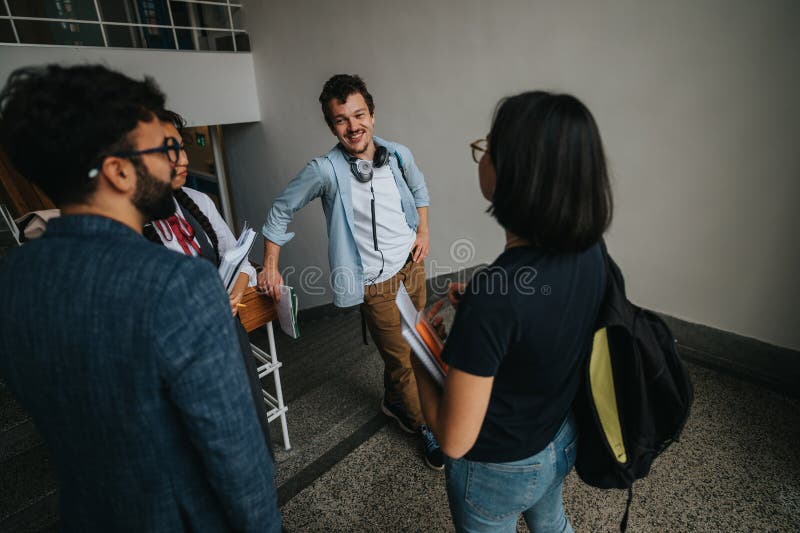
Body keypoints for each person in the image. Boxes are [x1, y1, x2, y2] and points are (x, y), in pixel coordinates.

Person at [0, 64, 281, 532]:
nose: (174, 161)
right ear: (118, 172)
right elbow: (234, 453)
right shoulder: (177, 286)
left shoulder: (13, 278)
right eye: (162, 149)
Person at [413, 91, 613, 532]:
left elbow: (453, 439)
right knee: (554, 524)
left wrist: (420, 358)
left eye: (486, 148)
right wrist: (486, 317)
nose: (480, 158)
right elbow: (546, 325)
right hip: (561, 437)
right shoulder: (592, 251)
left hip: (498, 468)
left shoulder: (496, 296)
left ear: (515, 174)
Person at [258, 74, 443, 469]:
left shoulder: (397, 155)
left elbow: (421, 189)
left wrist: (423, 231)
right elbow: (280, 209)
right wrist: (270, 265)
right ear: (332, 126)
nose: (352, 125)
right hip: (375, 285)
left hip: (412, 266)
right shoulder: (324, 170)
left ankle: (395, 401)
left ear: (372, 116)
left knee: (422, 342)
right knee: (402, 359)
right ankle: (423, 424)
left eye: (359, 115)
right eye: (341, 119)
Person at [143, 110, 273, 454]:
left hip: (229, 335)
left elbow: (240, 259)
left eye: (182, 148)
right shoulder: (132, 226)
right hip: (183, 358)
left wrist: (234, 293)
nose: (184, 159)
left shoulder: (199, 201)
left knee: (249, 423)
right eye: (169, 152)